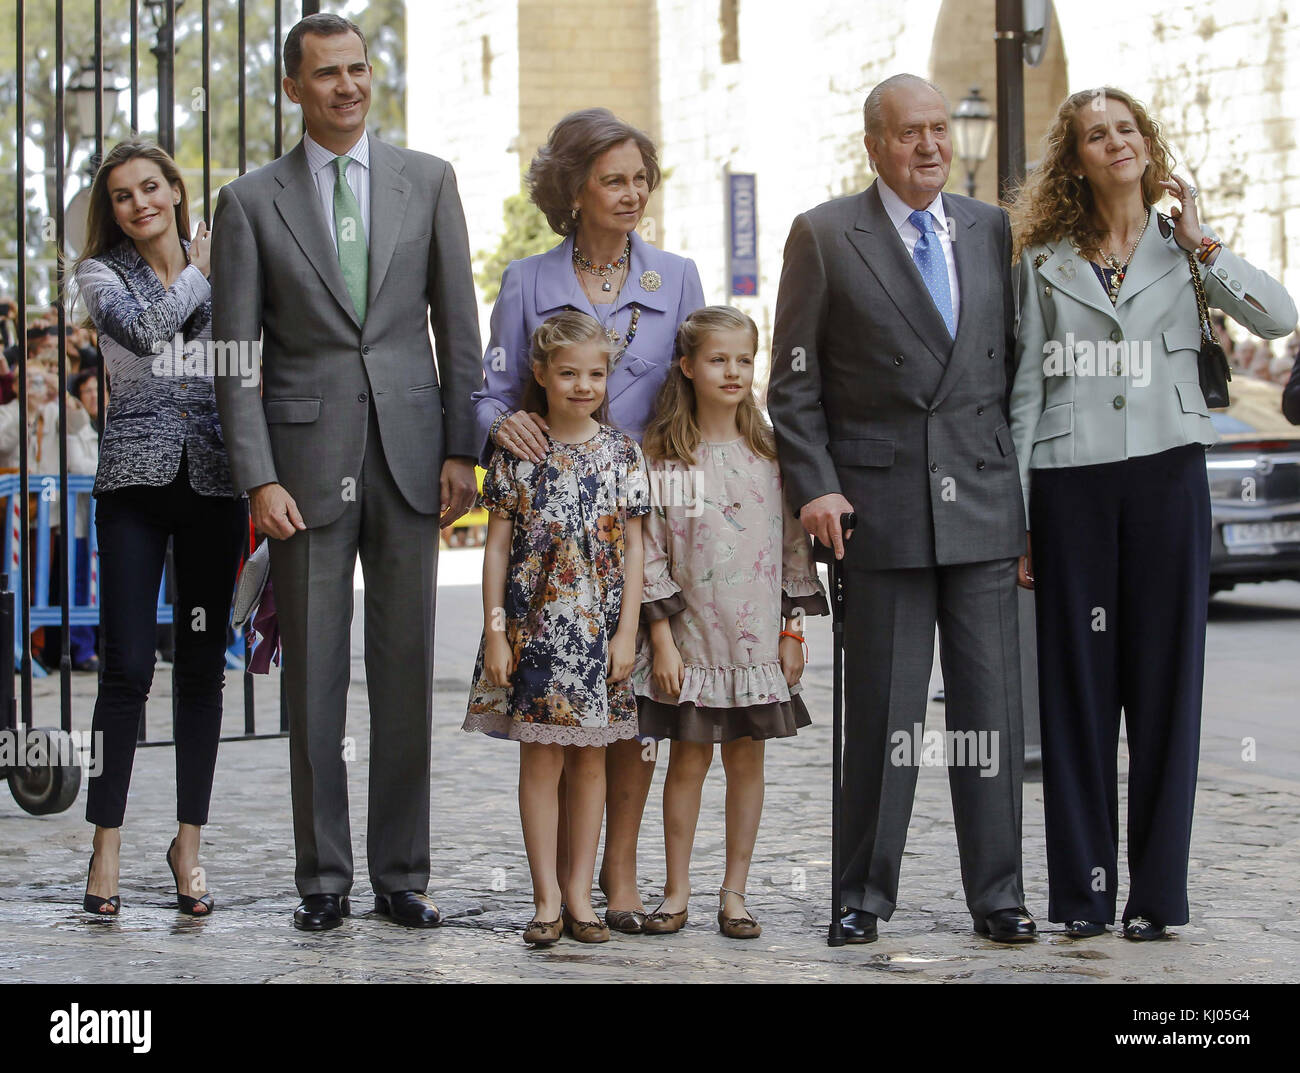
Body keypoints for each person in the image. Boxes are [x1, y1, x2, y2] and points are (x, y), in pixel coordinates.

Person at [212, 13, 482, 932]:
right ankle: (322, 879)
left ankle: (402, 873)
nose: (347, 87)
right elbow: (236, 356)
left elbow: (459, 325)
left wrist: (460, 450)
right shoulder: (250, 203)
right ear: (293, 87)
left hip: (412, 461)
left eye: (359, 70)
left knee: (405, 673)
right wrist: (258, 476)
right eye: (326, 74)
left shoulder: (431, 181)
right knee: (314, 680)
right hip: (301, 470)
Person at [1009, 87, 1297, 940]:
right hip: (1071, 484)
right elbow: (1025, 388)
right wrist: (1024, 518)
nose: (1115, 143)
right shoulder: (1044, 257)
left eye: (1126, 128)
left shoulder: (1186, 250)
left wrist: (1201, 232)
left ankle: (1156, 899)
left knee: (1168, 692)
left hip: (1169, 479)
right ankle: (1084, 896)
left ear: (1147, 143)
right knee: (1077, 696)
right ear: (1077, 156)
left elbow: (1279, 318)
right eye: (1096, 134)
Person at [767, 73, 1035, 944]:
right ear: (874, 143)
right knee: (884, 717)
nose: (930, 145)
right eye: (911, 132)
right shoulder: (823, 234)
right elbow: (794, 387)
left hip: (984, 504)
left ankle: (999, 896)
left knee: (990, 713)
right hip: (876, 511)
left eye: (938, 130)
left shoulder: (993, 230)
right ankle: (862, 895)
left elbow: (1014, 369)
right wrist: (815, 484)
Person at [471, 107, 705, 933]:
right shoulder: (528, 281)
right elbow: (491, 388)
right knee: (570, 718)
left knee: (634, 706)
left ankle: (622, 876)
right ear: (574, 190)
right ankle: (562, 890)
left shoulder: (675, 276)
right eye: (614, 179)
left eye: (642, 177)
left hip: (645, 509)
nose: (633, 192)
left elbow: (694, 391)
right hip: (554, 522)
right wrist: (499, 427)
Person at [71, 138, 247, 917]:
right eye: (122, 195)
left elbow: (256, 359)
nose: (140, 202)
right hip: (134, 488)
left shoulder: (230, 265)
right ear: (112, 211)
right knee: (128, 666)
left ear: (176, 191)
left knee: (203, 667)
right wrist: (202, 274)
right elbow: (142, 334)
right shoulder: (99, 274)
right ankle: (104, 843)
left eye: (152, 187)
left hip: (214, 483)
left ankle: (189, 843)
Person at [631, 306, 827, 938]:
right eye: (719, 359)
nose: (734, 371)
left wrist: (792, 630)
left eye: (745, 359)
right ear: (688, 367)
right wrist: (660, 640)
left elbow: (794, 546)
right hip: (689, 648)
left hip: (754, 650)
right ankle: (676, 891)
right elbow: (652, 550)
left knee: (747, 763)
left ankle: (735, 893)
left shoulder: (772, 453)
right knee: (686, 764)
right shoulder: (663, 458)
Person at [463, 311, 648, 946]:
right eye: (567, 373)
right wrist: (494, 632)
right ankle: (544, 897)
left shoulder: (624, 453)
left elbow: (637, 549)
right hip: (534, 634)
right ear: (540, 375)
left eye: (595, 374)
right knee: (540, 764)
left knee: (592, 764)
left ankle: (579, 895)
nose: (582, 385)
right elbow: (494, 549)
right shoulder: (518, 454)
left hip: (599, 634)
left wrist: (629, 635)